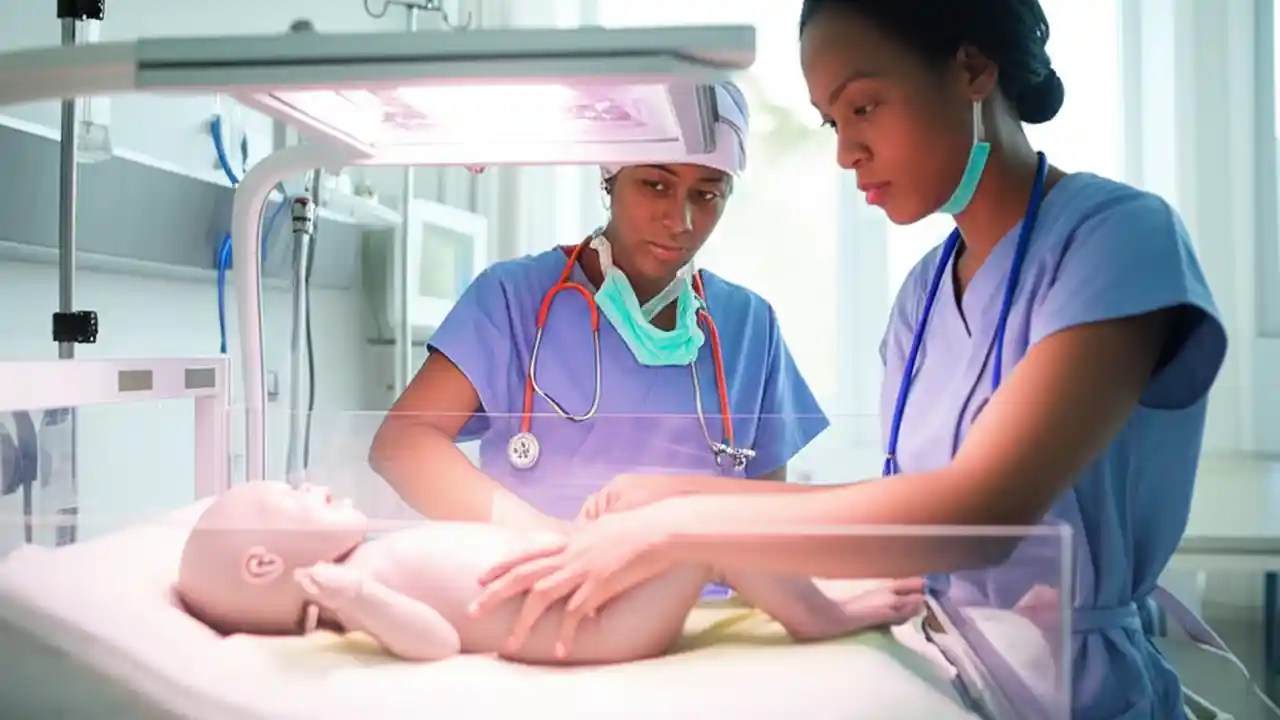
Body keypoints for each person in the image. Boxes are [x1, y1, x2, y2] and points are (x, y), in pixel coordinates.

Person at [465, 1, 1229, 718]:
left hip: (1072, 692)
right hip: (944, 666)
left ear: (972, 69)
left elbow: (982, 514)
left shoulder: (1118, 240)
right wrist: (676, 495)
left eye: (863, 107)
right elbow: (910, 503)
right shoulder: (925, 294)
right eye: (830, 120)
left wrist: (683, 527)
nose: (844, 151)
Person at [368, 81, 830, 534]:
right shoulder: (513, 297)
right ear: (609, 179)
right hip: (539, 582)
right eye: (654, 184)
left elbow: (769, 518)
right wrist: (550, 540)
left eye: (706, 194)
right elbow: (403, 444)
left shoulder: (750, 327)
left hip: (699, 600)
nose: (680, 220)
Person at [174, 481, 926, 664]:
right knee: (706, 530)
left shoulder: (372, 556)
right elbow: (433, 643)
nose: (311, 487)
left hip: (584, 597)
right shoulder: (357, 593)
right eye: (291, 497)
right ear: (266, 562)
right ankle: (822, 615)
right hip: (593, 629)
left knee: (677, 513)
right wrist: (361, 597)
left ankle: (814, 598)